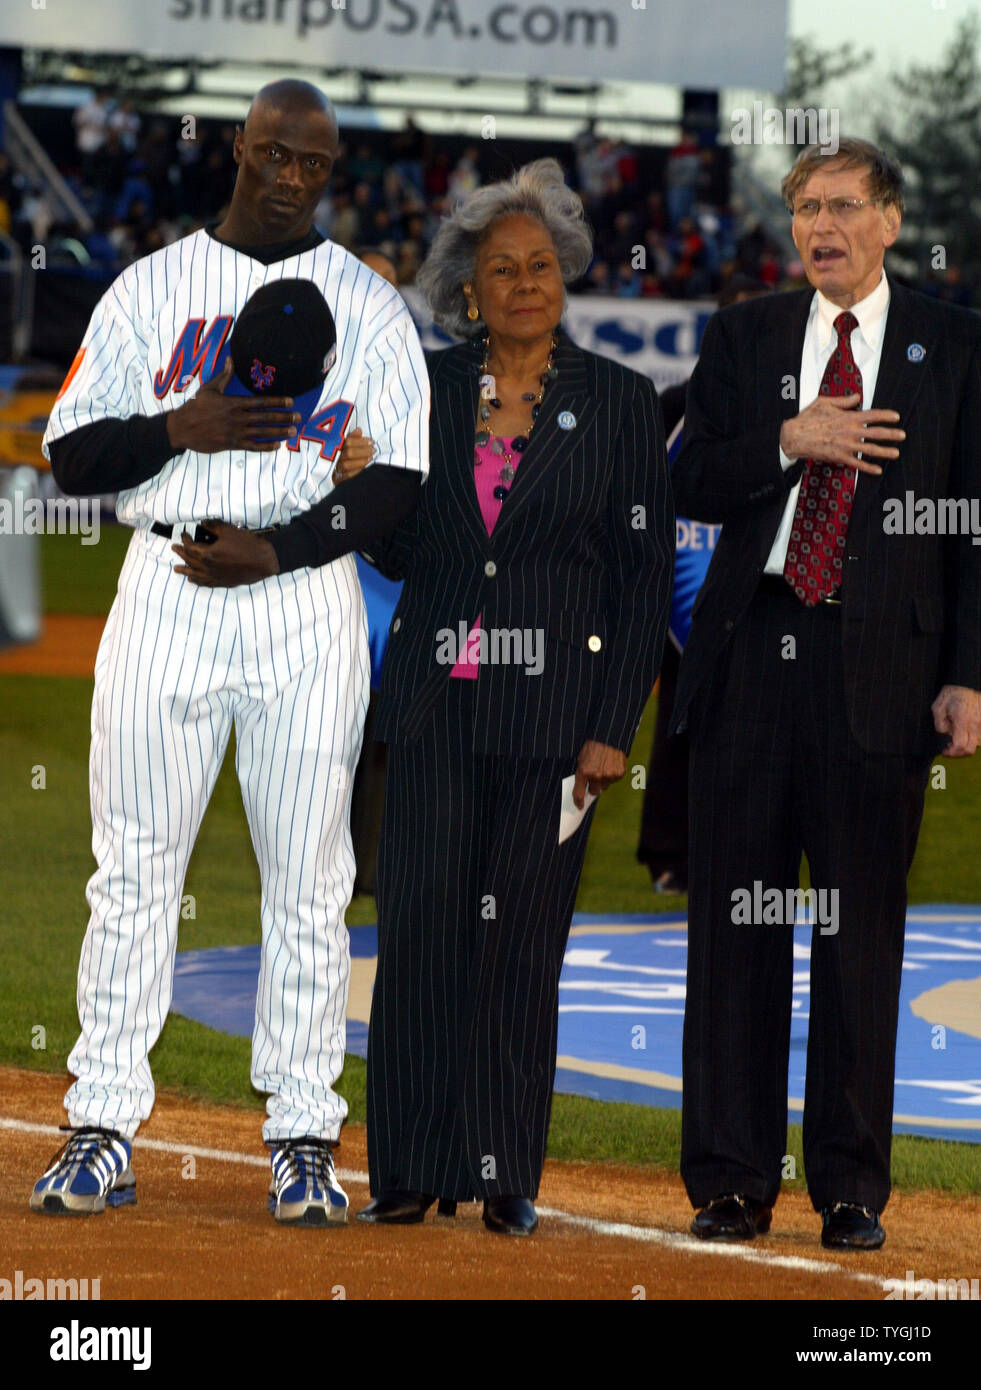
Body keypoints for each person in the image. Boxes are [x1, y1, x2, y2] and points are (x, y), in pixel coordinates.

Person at [31, 79, 429, 1226]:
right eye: (276, 152)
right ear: (240, 150)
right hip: (164, 587)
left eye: (316, 160)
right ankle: (101, 1119)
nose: (295, 173)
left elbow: (399, 481)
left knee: (311, 880)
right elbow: (70, 455)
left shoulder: (368, 304)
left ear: (333, 167)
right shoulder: (151, 288)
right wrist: (179, 427)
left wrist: (287, 546)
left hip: (303, 602)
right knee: (135, 870)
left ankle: (304, 1132)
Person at [326, 159, 673, 1235]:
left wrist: (611, 728)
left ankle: (503, 1167)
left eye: (541, 266)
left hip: (552, 726)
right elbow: (400, 547)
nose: (525, 283)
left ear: (565, 275)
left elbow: (642, 573)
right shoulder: (422, 387)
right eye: (500, 270)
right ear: (466, 287)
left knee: (521, 945)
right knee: (421, 936)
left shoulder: (618, 402)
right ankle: (409, 1167)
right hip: (432, 710)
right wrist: (358, 485)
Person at [669, 138, 981, 1249]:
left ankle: (851, 1187)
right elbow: (688, 474)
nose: (822, 226)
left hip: (881, 675)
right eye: (805, 206)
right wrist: (788, 440)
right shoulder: (747, 335)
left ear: (892, 221)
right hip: (751, 657)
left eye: (844, 205)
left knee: (861, 940)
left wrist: (968, 673)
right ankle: (730, 1179)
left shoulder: (955, 343)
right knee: (734, 935)